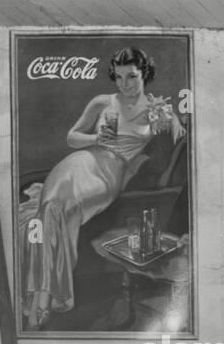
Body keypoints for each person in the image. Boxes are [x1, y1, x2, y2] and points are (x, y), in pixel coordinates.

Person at [23, 46, 184, 329]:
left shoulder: (157, 110)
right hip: (81, 161)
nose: (125, 84)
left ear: (144, 73)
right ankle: (43, 295)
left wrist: (171, 119)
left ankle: (44, 297)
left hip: (108, 175)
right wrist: (95, 138)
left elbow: (181, 139)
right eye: (120, 77)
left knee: (64, 211)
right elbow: (72, 137)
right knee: (50, 207)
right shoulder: (102, 102)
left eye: (132, 77)